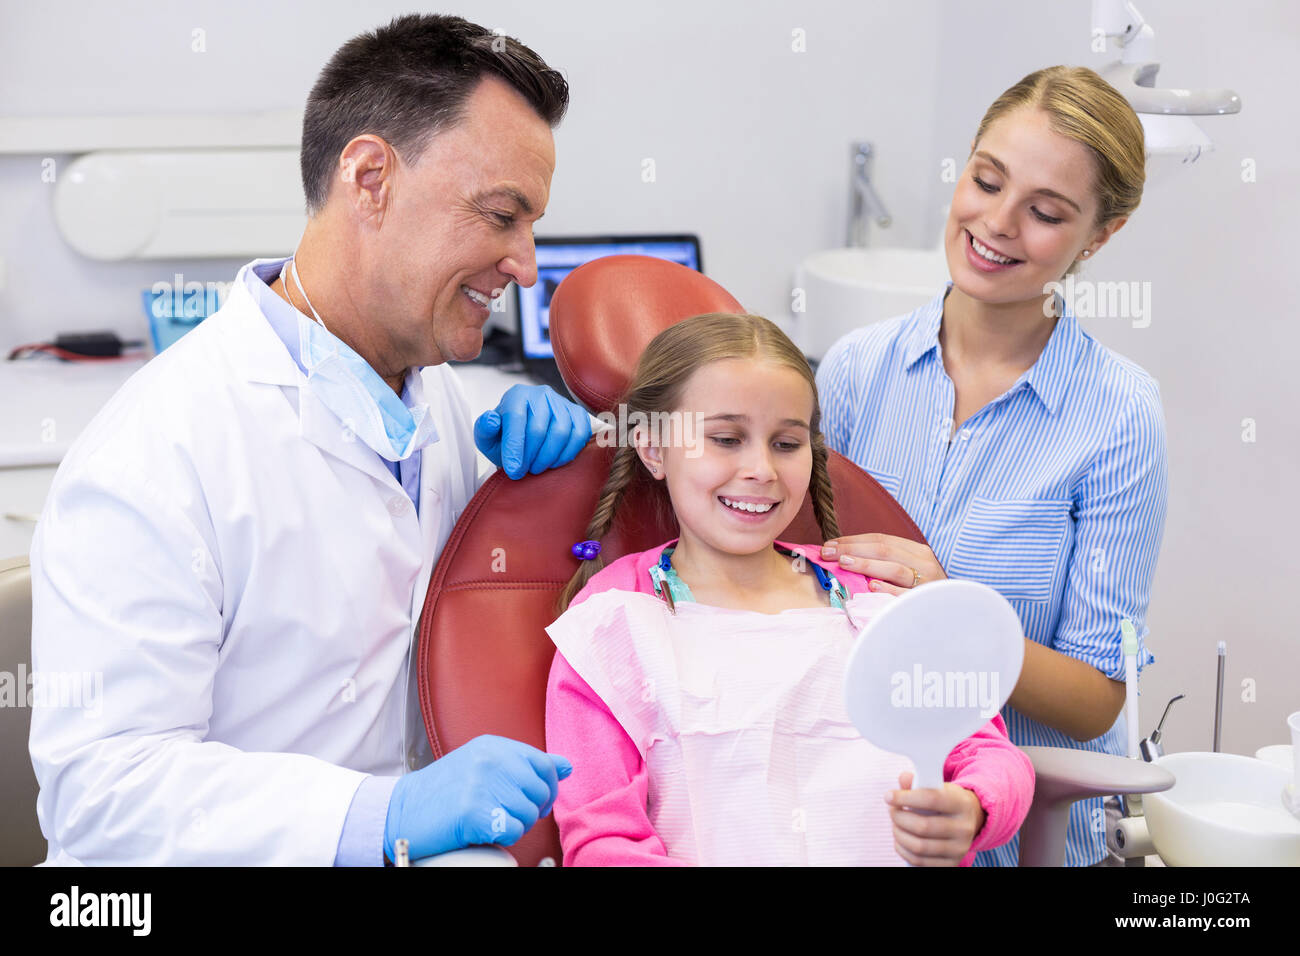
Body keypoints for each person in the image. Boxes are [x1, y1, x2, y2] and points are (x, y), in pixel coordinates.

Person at [28, 14, 592, 866]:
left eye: (531, 225)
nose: (526, 263)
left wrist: (555, 464)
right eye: (501, 215)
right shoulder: (157, 453)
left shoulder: (434, 392)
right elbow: (103, 795)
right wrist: (382, 813)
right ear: (370, 178)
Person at [815, 66, 1168, 866]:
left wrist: (951, 612)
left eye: (1046, 213)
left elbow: (1094, 703)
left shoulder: (1117, 417)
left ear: (1098, 236)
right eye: (986, 180)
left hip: (1019, 842)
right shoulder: (854, 373)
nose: (998, 223)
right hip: (853, 820)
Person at [544, 313, 1034, 866]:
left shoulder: (874, 596)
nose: (761, 469)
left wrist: (973, 806)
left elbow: (986, 750)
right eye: (727, 439)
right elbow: (604, 843)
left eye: (786, 443)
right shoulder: (615, 623)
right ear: (654, 450)